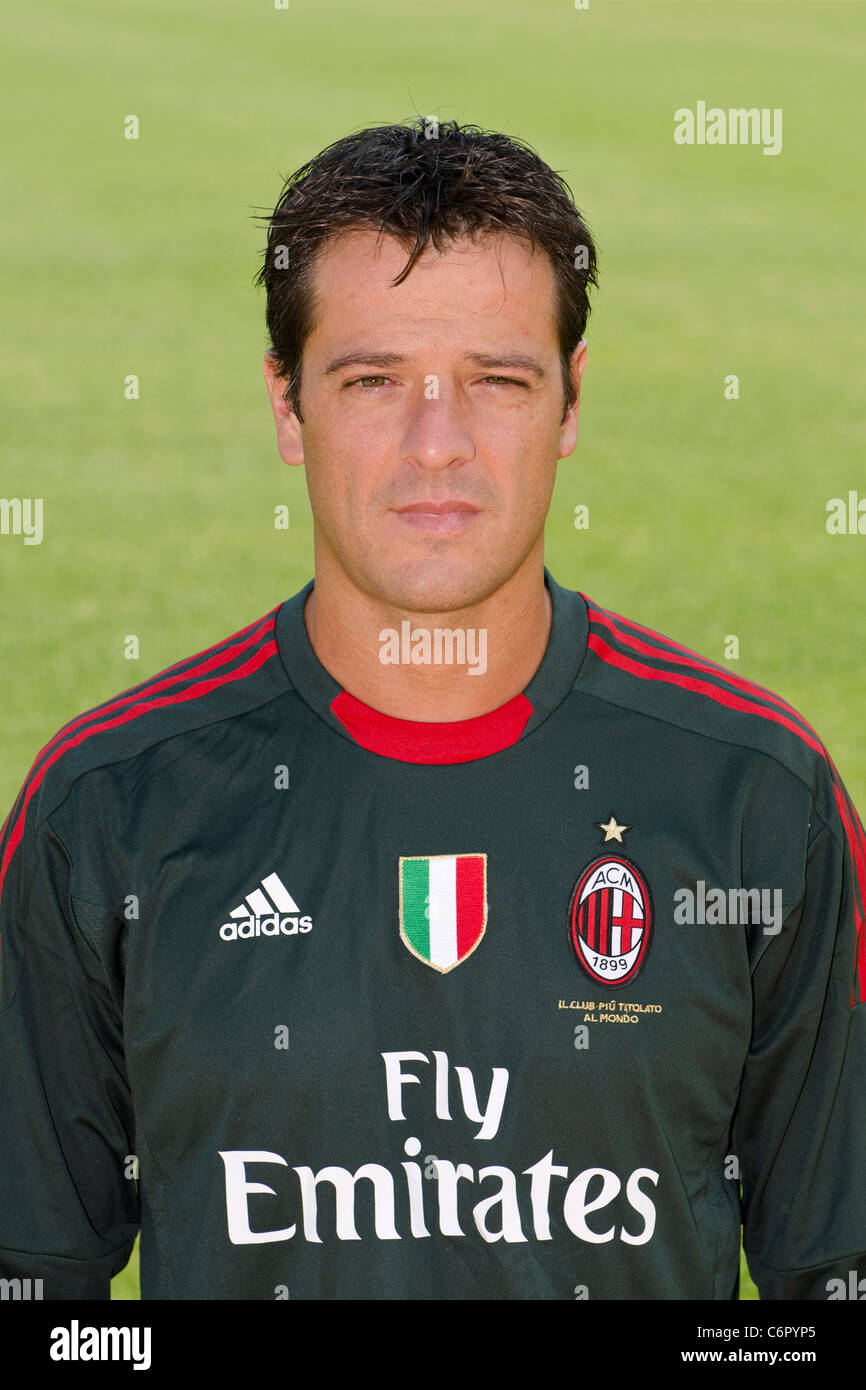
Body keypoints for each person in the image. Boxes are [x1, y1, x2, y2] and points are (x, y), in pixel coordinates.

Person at [0, 118, 863, 1301]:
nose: (436, 443)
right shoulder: (104, 806)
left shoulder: (757, 795)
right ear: (286, 406)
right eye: (371, 381)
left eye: (495, 381)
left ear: (568, 402)